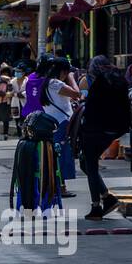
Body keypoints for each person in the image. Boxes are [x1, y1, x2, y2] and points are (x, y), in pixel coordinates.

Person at [79, 55, 132, 220]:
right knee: (86, 162)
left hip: (96, 129)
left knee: (89, 164)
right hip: (116, 129)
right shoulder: (121, 79)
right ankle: (107, 198)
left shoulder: (99, 83)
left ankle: (96, 206)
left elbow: (92, 108)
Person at [40, 58, 81, 197]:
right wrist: (72, 78)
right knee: (61, 155)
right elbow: (77, 93)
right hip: (61, 123)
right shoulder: (55, 83)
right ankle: (59, 188)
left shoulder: (48, 83)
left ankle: (58, 187)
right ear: (63, 71)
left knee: (58, 155)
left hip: (55, 123)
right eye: (67, 72)